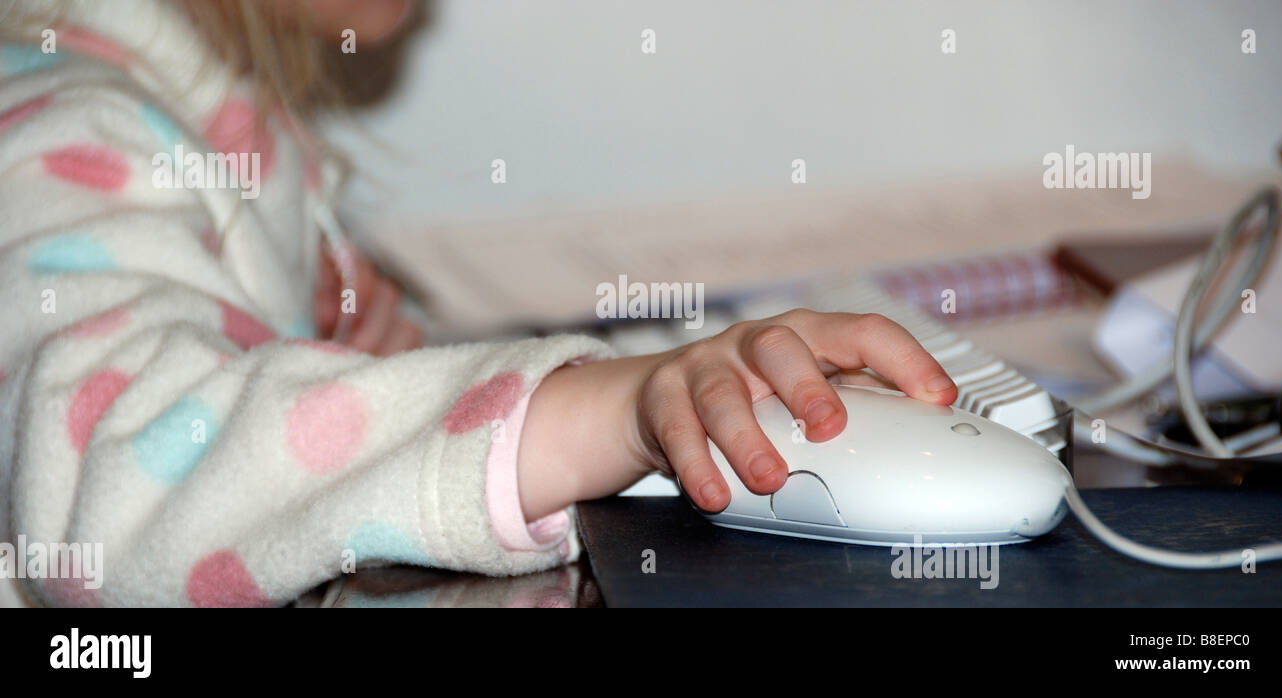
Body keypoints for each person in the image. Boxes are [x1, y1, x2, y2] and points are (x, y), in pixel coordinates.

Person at [0, 0, 956, 607]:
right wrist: (616, 409)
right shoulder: (67, 123)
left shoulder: (205, 115)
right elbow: (114, 490)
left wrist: (328, 372)